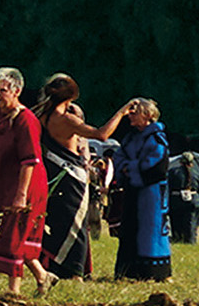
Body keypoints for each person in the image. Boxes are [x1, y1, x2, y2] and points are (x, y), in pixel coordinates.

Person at [33, 74, 129, 282]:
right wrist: (121, 113)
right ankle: (75, 271)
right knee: (76, 224)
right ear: (69, 98)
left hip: (52, 175)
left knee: (57, 221)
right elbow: (102, 134)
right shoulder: (67, 120)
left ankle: (54, 266)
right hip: (72, 178)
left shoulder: (41, 116)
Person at [0, 66, 52, 298]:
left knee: (15, 233)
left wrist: (21, 195)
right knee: (7, 231)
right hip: (3, 181)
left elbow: (29, 161)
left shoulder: (26, 121)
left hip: (26, 184)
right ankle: (44, 277)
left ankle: (14, 291)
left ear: (17, 91)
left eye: (3, 90)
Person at [109, 98, 172, 281]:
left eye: (134, 113)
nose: (131, 116)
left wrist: (132, 168)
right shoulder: (130, 138)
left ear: (147, 115)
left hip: (151, 194)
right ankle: (127, 271)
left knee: (150, 230)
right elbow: (119, 156)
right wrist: (125, 168)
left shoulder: (157, 138)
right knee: (128, 229)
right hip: (132, 190)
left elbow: (158, 164)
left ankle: (154, 273)